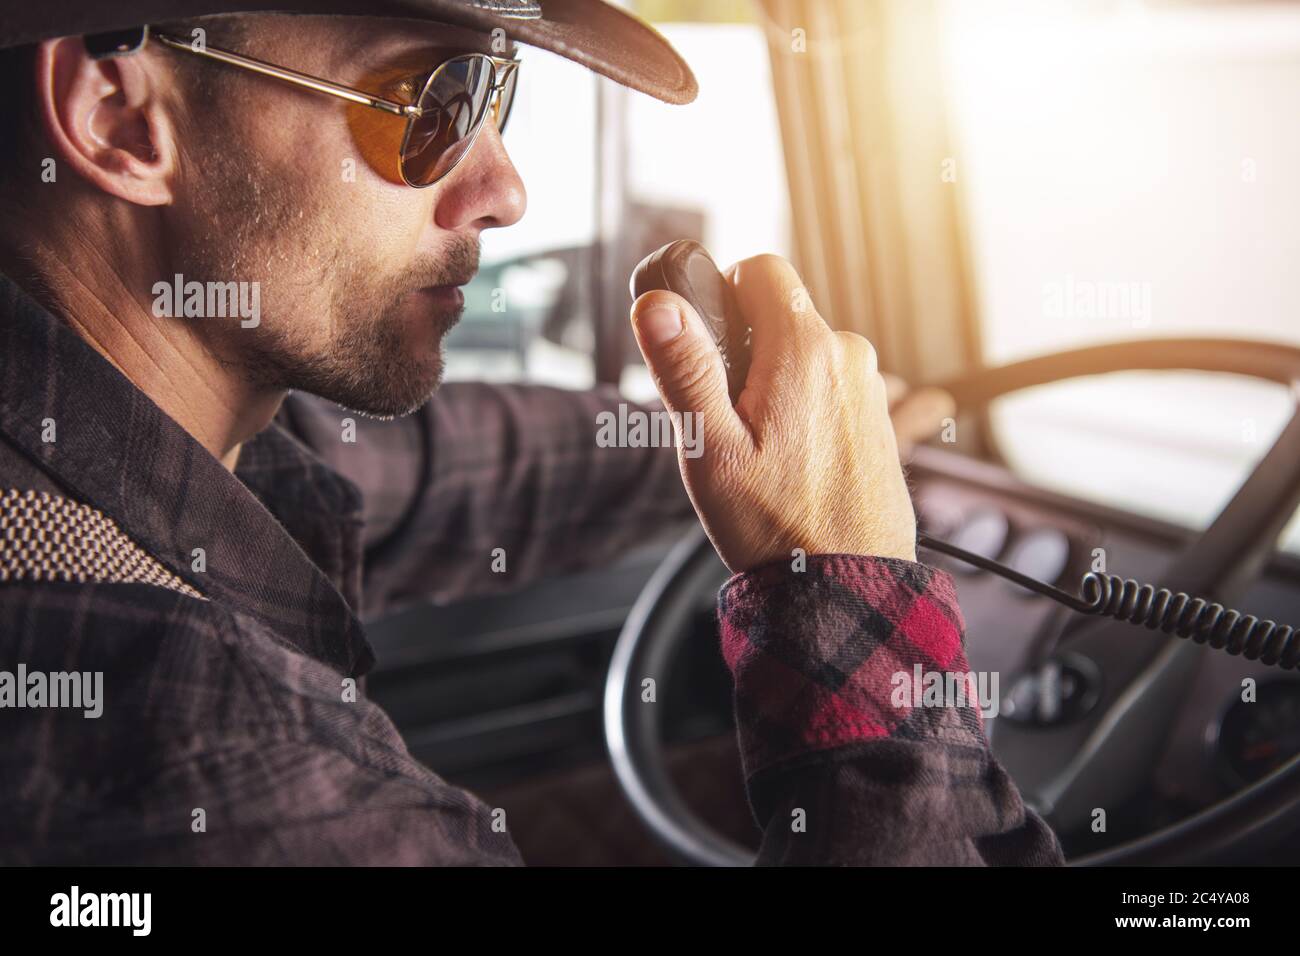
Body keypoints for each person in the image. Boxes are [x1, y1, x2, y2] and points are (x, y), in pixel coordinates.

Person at [0, 1, 1063, 865]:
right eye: (434, 102)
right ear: (117, 118)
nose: (504, 191)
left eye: (495, 94)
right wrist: (848, 590)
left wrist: (765, 448)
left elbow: (467, 467)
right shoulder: (209, 756)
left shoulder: (152, 434)